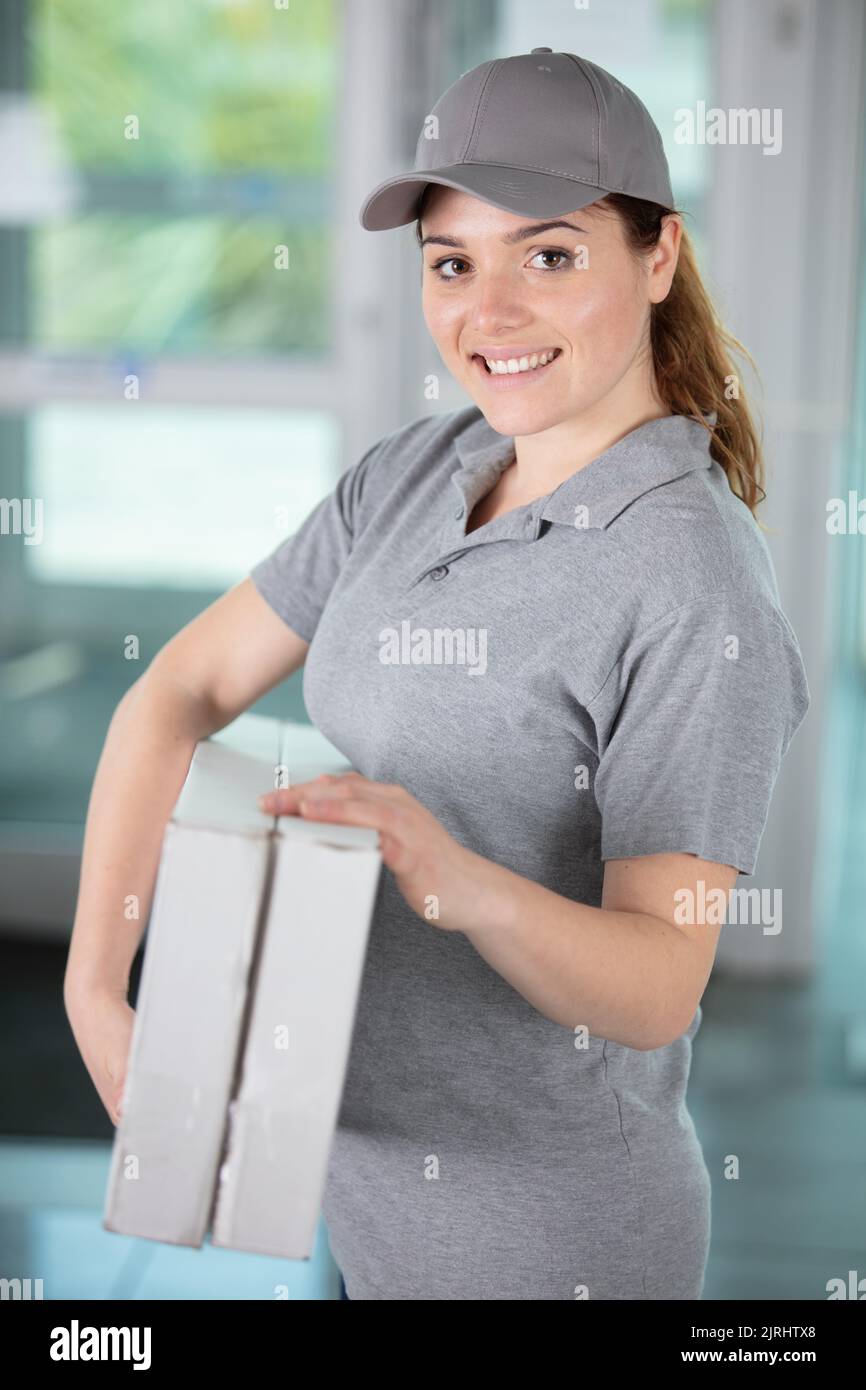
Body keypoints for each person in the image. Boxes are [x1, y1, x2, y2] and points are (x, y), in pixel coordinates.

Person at [65, 48, 811, 1301]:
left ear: (658, 255)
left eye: (550, 255)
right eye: (452, 263)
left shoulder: (692, 582)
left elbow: (654, 983)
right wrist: (98, 986)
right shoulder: (417, 473)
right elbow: (177, 695)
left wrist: (451, 875)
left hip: (547, 1242)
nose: (490, 311)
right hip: (357, 1195)